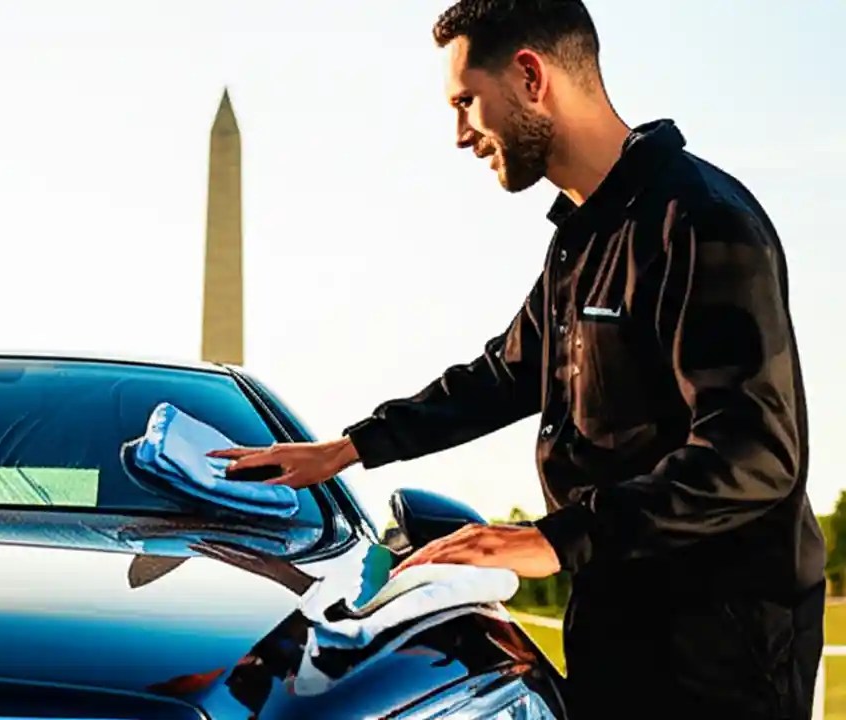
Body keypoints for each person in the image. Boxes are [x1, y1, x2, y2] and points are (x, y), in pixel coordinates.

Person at [209, 1, 826, 718]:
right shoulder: (584, 236)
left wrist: (553, 539)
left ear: (531, 76)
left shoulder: (699, 221)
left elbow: (754, 454)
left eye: (467, 102)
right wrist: (348, 449)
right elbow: (505, 374)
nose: (461, 134)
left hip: (721, 646)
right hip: (614, 618)